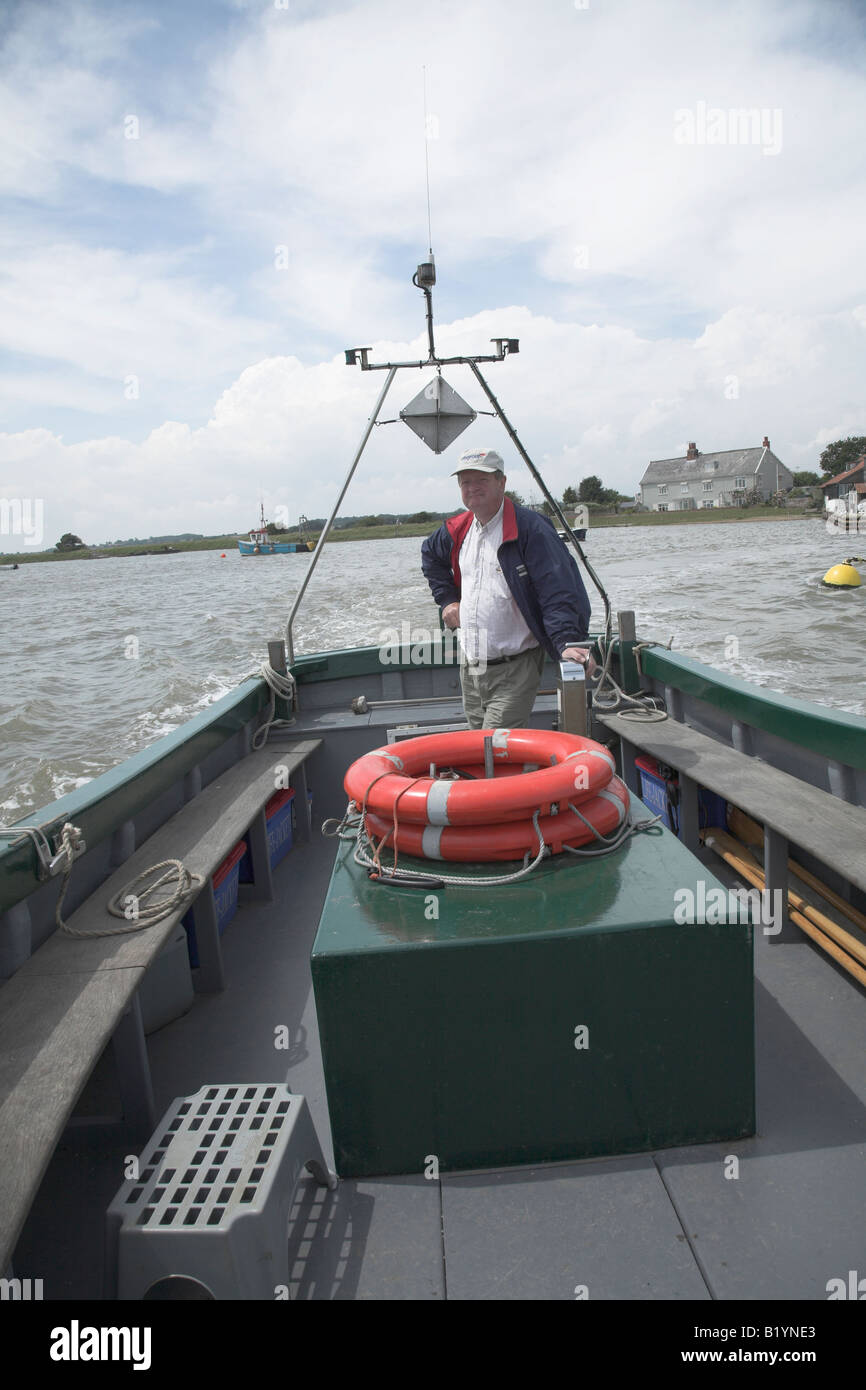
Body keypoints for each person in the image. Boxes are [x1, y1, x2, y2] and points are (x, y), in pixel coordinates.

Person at [421, 446, 595, 729]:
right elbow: (430, 555)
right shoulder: (458, 528)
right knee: (482, 750)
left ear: (502, 482)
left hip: (515, 667)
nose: (472, 488)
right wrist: (448, 600)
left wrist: (567, 642)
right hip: (471, 667)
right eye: (465, 482)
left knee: (494, 748)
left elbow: (559, 590)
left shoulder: (531, 529)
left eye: (482, 480)